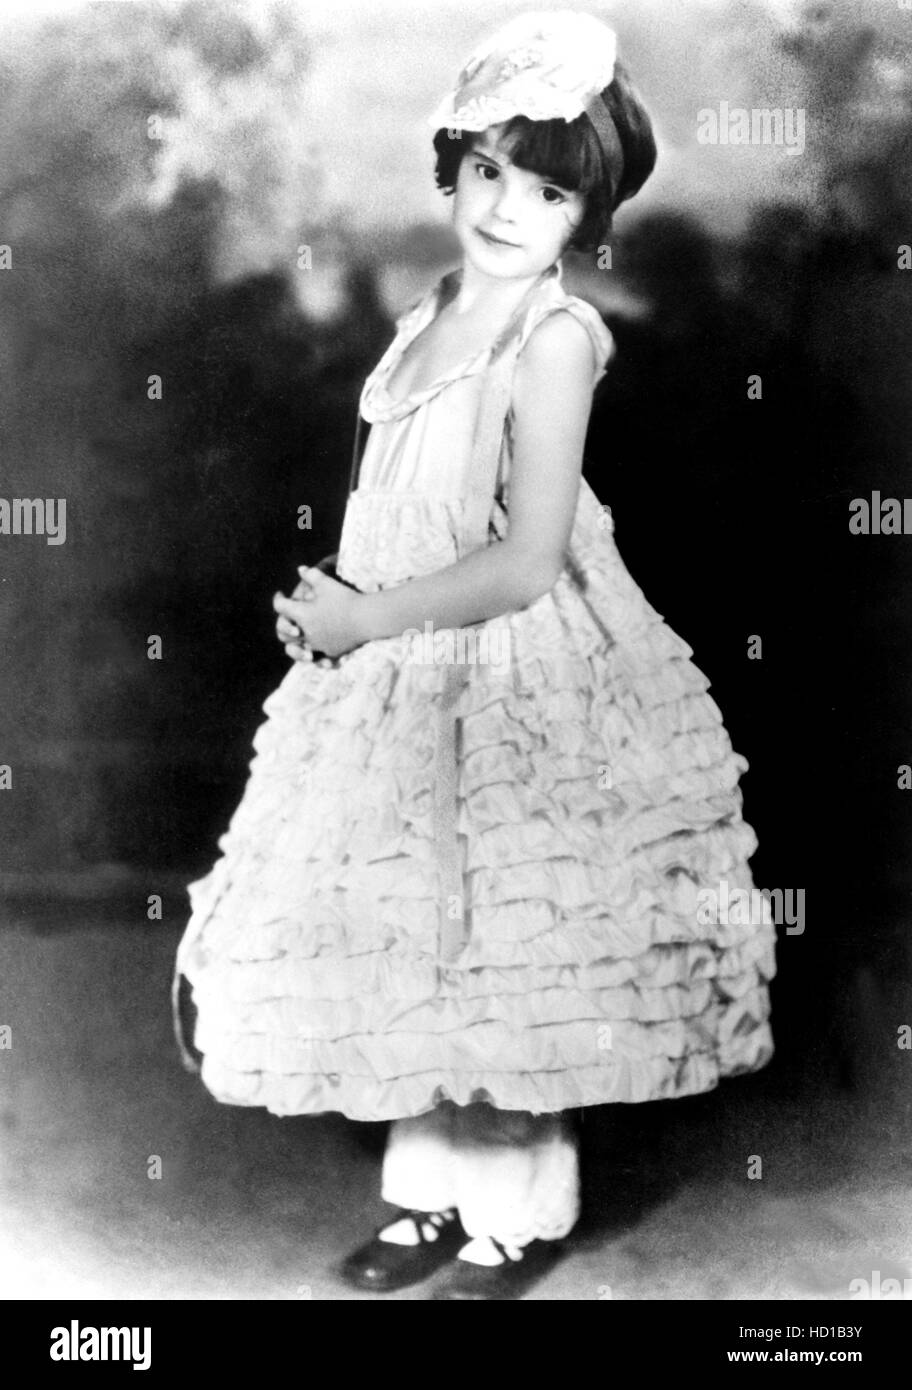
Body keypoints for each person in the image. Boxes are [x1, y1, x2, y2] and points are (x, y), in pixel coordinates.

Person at [172, 10, 776, 1300]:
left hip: (508, 659)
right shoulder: (429, 313)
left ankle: (515, 1211)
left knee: (512, 936)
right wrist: (333, 599)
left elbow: (519, 559)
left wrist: (370, 619)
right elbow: (390, 505)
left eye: (549, 190)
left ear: (587, 216)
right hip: (397, 654)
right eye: (489, 171)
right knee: (412, 931)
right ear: (451, 167)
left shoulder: (553, 341)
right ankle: (430, 1200)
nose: (509, 208)